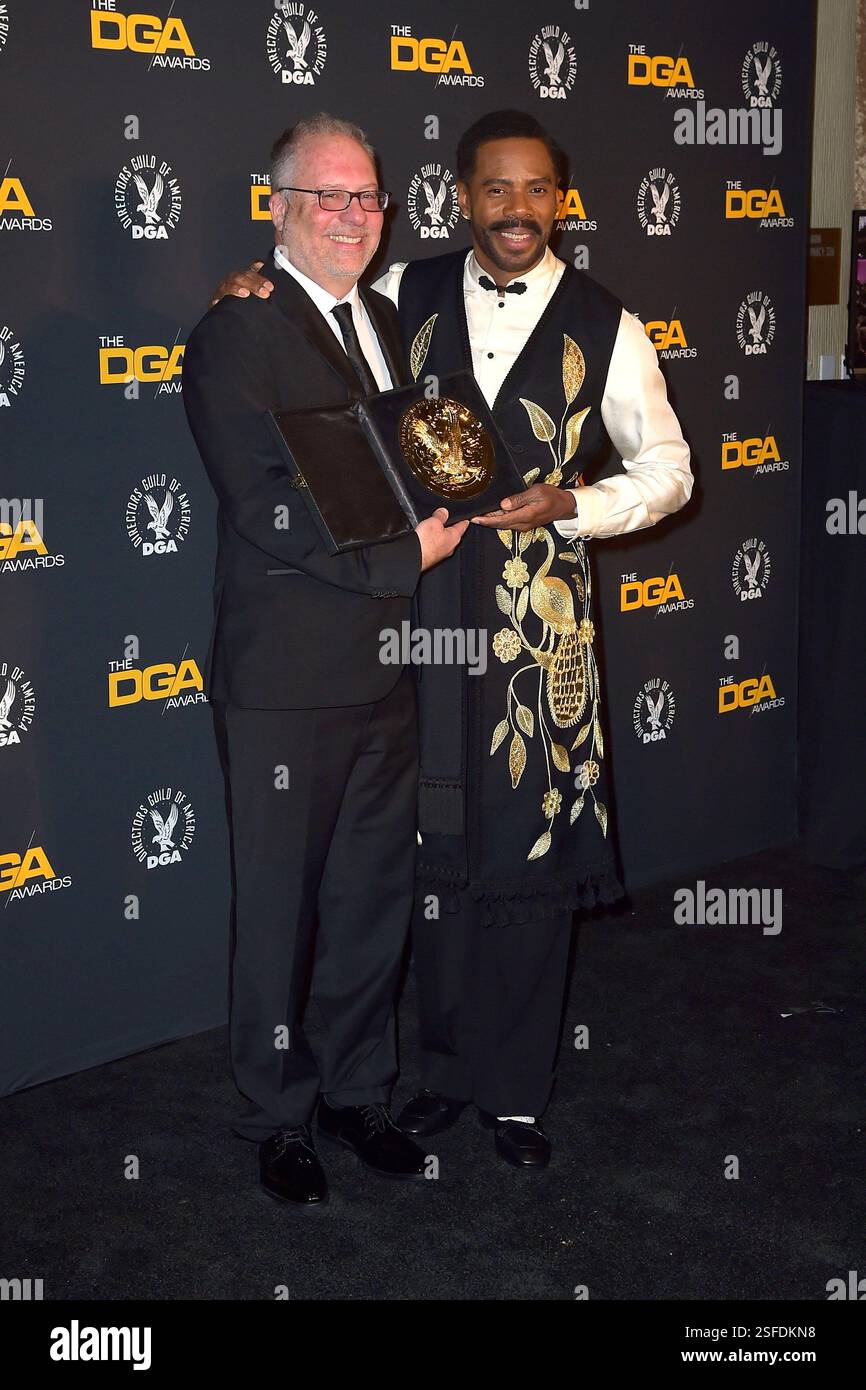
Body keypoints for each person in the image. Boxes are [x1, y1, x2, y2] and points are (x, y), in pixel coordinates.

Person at [211, 108, 693, 1170]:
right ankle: (428, 1071)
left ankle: (512, 1089)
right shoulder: (397, 295)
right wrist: (248, 279)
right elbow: (306, 314)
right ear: (458, 197)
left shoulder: (607, 323)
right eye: (491, 188)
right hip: (411, 618)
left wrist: (573, 500)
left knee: (526, 846)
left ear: (559, 202)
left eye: (533, 190)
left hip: (537, 627)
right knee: (420, 855)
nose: (513, 208)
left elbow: (669, 470)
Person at [183, 113, 466, 1207]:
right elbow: (263, 505)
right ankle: (274, 1113)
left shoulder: (388, 321)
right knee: (277, 910)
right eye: (325, 197)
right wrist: (399, 562)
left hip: (382, 669)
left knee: (367, 900)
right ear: (279, 209)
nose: (350, 216)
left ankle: (353, 1092)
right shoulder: (232, 333)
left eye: (366, 198)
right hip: (284, 684)